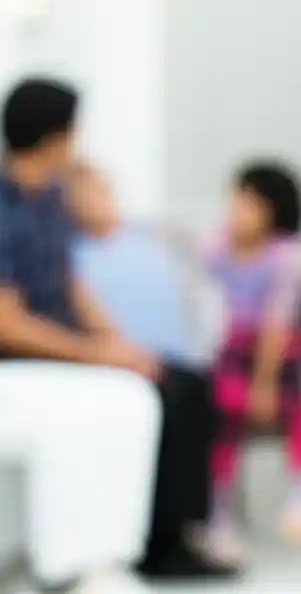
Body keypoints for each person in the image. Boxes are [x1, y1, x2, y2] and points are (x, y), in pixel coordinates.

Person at [0, 77, 160, 594]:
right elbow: (8, 323)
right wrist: (97, 355)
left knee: (159, 388)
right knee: (120, 399)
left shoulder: (48, 199)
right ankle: (74, 561)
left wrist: (118, 345)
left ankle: (126, 549)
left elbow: (78, 273)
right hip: (20, 361)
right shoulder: (5, 209)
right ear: (57, 136)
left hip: (60, 353)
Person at [66, 162, 236, 581]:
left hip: (158, 359)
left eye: (109, 189)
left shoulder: (144, 242)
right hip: (104, 361)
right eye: (96, 190)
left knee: (195, 392)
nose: (107, 199)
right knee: (166, 400)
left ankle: (180, 534)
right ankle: (149, 539)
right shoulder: (66, 253)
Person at [203, 161, 301, 564]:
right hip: (232, 352)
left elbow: (277, 324)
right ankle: (219, 510)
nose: (237, 213)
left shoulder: (286, 257)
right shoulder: (218, 249)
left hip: (278, 353)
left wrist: (265, 384)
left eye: (249, 205)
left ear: (273, 210)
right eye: (234, 202)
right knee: (221, 415)